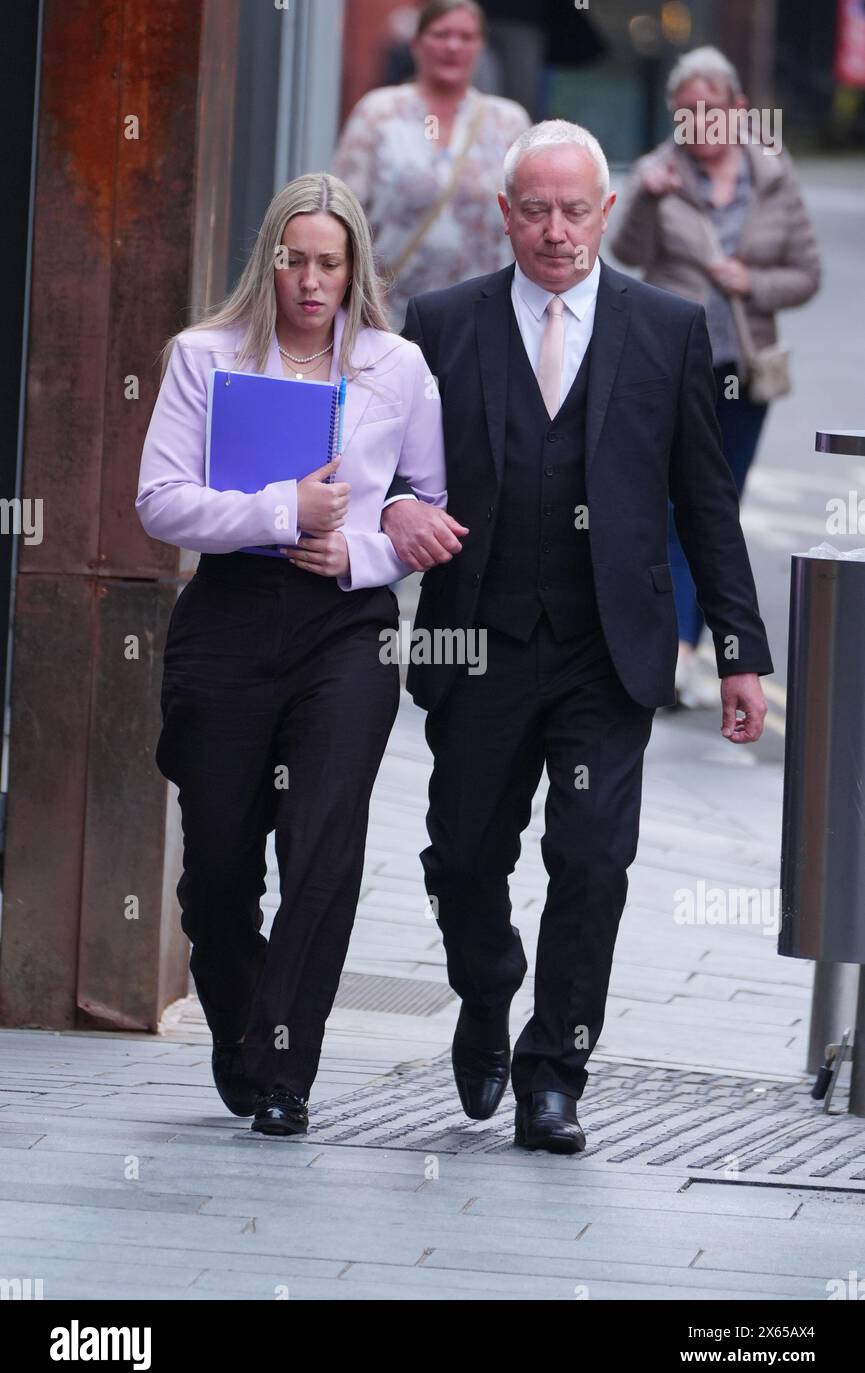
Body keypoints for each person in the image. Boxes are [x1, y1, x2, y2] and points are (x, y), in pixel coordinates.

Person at [380, 120, 772, 1155]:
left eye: (574, 209)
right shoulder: (441, 323)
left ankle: (553, 1072)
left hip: (611, 647)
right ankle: (487, 988)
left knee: (591, 863)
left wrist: (738, 650)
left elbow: (703, 498)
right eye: (534, 209)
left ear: (606, 211)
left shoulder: (667, 327)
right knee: (462, 854)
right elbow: (391, 475)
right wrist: (390, 516)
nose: (555, 230)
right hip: (477, 640)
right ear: (504, 214)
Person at [135, 173, 446, 1137]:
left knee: (322, 839)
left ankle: (282, 1067)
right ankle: (238, 1022)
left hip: (343, 627)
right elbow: (159, 501)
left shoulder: (399, 368)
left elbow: (423, 508)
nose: (312, 283)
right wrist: (280, 512)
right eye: (295, 262)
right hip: (227, 618)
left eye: (330, 263)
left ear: (355, 269)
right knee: (218, 870)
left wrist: (355, 546)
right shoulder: (203, 356)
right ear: (268, 261)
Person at [610, 46, 820, 708]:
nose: (699, 121)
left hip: (745, 370)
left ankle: (694, 645)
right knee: (669, 504)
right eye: (686, 110)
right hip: (670, 366)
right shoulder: (657, 174)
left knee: (715, 508)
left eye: (711, 108)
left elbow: (805, 275)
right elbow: (626, 254)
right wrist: (644, 198)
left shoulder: (773, 176)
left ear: (736, 108)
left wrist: (750, 280)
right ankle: (672, 648)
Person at [331, 0, 529, 330]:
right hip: (388, 317)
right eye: (441, 34)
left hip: (481, 319)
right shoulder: (379, 113)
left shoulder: (508, 122)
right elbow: (340, 214)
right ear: (416, 43)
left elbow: (526, 216)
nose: (453, 46)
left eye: (466, 37)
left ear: (481, 46)